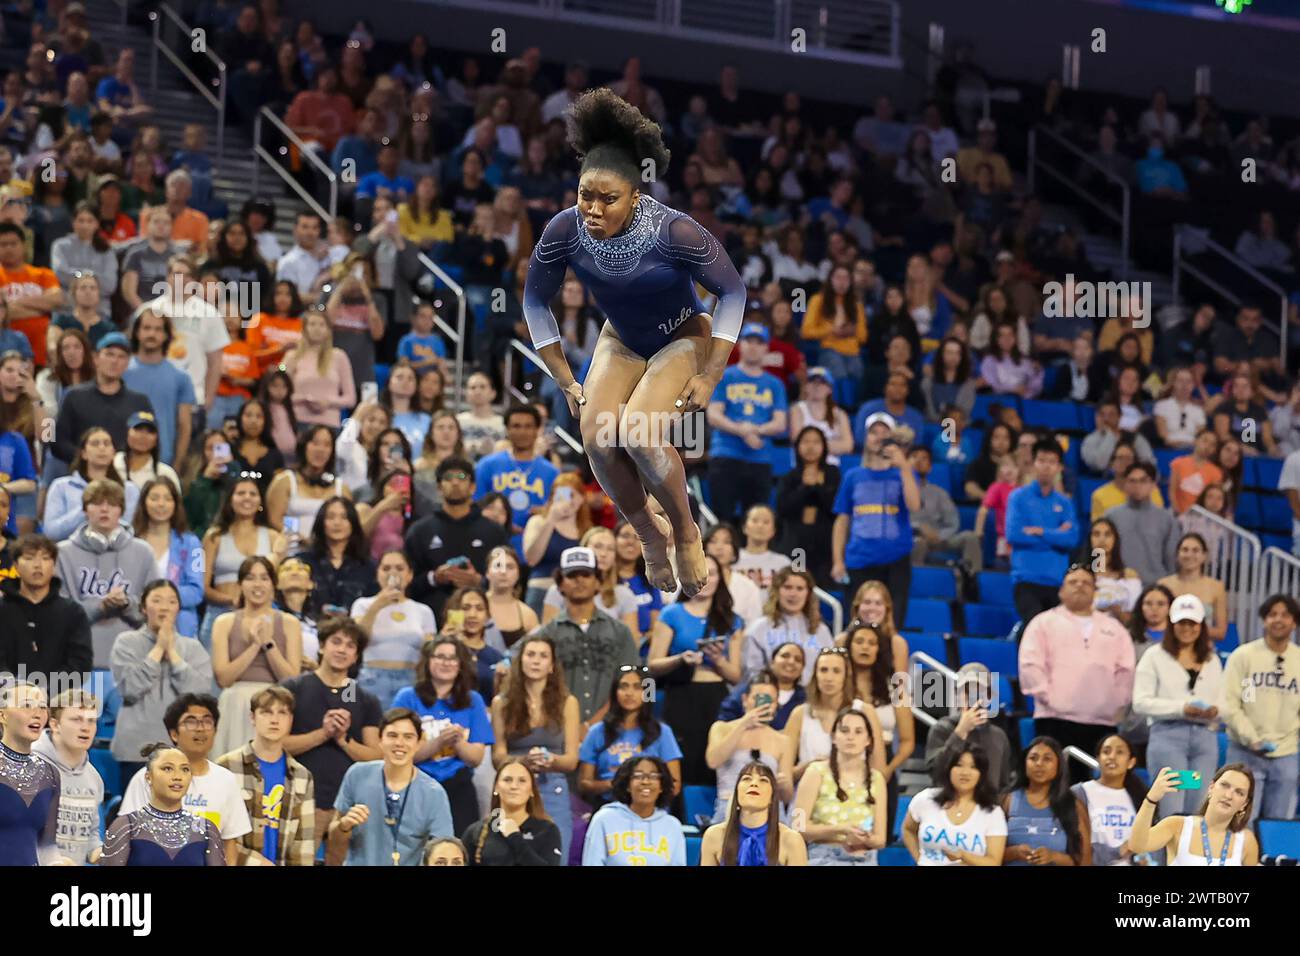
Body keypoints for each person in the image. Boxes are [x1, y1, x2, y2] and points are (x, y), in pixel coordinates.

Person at [524, 89, 746, 598]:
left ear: (636, 197)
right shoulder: (564, 230)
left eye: (608, 198)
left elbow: (732, 291)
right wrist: (562, 376)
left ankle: (687, 532)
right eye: (585, 195)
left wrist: (710, 372)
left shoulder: (676, 231)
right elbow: (535, 302)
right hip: (621, 339)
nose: (593, 209)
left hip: (683, 336)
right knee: (597, 433)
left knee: (640, 432)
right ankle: (649, 532)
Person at [1019, 564, 1136, 783]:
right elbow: (1030, 664)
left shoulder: (1115, 628)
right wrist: (1049, 698)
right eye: (1073, 582)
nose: (1080, 586)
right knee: (1051, 785)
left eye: (1086, 583)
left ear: (1095, 590)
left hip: (1101, 722)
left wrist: (1114, 702)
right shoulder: (1042, 623)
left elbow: (1126, 670)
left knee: (1094, 789)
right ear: (1061, 590)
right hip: (1054, 719)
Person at [281, 616, 382, 847]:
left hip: (348, 805)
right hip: (301, 800)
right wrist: (323, 734)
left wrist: (343, 739)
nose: (342, 650)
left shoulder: (366, 699)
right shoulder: (293, 689)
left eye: (350, 646)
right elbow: (277, 744)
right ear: (322, 646)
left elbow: (376, 756)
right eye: (336, 642)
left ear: (356, 656)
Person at [118, 694, 252, 864]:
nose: (200, 728)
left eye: (207, 721)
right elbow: (126, 837)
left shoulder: (226, 780)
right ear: (174, 734)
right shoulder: (147, 777)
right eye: (190, 721)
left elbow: (229, 842)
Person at [648, 554, 743, 784]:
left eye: (712, 573)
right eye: (699, 571)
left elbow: (736, 675)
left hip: (716, 697)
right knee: (681, 765)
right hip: (681, 695)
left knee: (712, 765)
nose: (705, 579)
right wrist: (681, 659)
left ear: (721, 579)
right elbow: (653, 664)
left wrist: (718, 660)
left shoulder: (732, 620)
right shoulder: (671, 613)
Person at [391, 638, 493, 837]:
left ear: (461, 665)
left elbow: (475, 758)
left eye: (452, 658)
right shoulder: (407, 697)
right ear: (428, 661)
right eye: (439, 656)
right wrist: (438, 742)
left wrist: (458, 742)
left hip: (459, 788)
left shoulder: (473, 700)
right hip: (415, 784)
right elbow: (400, 754)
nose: (446, 663)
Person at [1132, 594, 1222, 818]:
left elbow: (1224, 700)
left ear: (1201, 626)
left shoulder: (1212, 660)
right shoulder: (1154, 656)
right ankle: (1166, 855)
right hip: (1169, 738)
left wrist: (1215, 710)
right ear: (1172, 624)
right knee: (1171, 810)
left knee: (1197, 809)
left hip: (1204, 741)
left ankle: (1190, 854)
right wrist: (1182, 708)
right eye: (1182, 622)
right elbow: (1141, 702)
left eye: (1192, 623)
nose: (1187, 628)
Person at [490, 634, 580, 858]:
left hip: (553, 788)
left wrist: (551, 760)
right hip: (514, 787)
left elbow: (571, 760)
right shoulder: (501, 703)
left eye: (543, 656)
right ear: (520, 662)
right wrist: (523, 762)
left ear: (551, 666)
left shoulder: (568, 703)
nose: (536, 661)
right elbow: (497, 756)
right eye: (530, 655)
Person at [328, 707, 454, 866]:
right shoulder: (357, 775)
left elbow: (444, 851)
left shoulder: (434, 793)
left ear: (419, 743)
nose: (399, 743)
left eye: (408, 737)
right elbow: (333, 836)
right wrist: (344, 826)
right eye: (392, 736)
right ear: (380, 740)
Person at [533, 546, 639, 728]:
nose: (579, 580)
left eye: (586, 574)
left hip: (611, 730)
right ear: (560, 584)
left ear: (598, 581)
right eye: (572, 575)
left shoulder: (620, 632)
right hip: (557, 730)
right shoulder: (546, 635)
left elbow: (637, 680)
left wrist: (593, 725)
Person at [110, 580, 213, 766]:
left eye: (172, 601)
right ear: (143, 608)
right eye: (156, 600)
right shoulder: (126, 642)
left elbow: (200, 696)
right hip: (135, 748)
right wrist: (158, 649)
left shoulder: (193, 647)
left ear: (179, 609)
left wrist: (173, 655)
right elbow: (129, 688)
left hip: (182, 750)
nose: (164, 607)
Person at [56, 478, 153, 669]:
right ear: (84, 509)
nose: (104, 509)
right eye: (97, 503)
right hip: (78, 661)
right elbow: (58, 614)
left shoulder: (144, 552)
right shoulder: (62, 553)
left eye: (112, 504)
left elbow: (155, 608)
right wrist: (100, 607)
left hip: (131, 662)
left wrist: (127, 604)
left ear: (122, 511)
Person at [214, 686, 316, 866]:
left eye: (282, 713)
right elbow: (214, 833)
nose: (274, 720)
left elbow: (304, 843)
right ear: (252, 717)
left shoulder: (301, 776)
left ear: (291, 720)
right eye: (266, 712)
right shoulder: (226, 767)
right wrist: (257, 862)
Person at [211, 556, 303, 756]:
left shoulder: (289, 623)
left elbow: (292, 678)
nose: (257, 584)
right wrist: (254, 645)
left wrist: (269, 644)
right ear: (240, 584)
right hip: (234, 704)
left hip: (274, 704)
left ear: (273, 584)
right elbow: (223, 678)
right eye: (251, 578)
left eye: (264, 578)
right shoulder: (224, 622)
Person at [1220, 594, 1300, 823]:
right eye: (1272, 614)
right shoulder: (1243, 656)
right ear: (1264, 620)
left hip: (1286, 755)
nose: (1278, 620)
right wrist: (1252, 738)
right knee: (1239, 822)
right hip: (1245, 751)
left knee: (1279, 825)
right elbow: (1231, 703)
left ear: (1294, 622)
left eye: (1285, 615)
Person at [831, 412, 920, 615]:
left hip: (895, 558)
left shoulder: (903, 473)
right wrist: (838, 560)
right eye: (873, 432)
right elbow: (842, 520)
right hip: (859, 558)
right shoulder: (853, 476)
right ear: (866, 437)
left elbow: (914, 505)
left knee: (893, 623)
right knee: (856, 623)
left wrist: (904, 465)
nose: (878, 437)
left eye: (884, 432)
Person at [706, 323, 790, 526]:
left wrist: (755, 431)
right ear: (740, 345)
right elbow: (713, 415)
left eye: (759, 342)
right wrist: (743, 431)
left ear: (766, 348)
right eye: (749, 341)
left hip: (760, 458)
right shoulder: (725, 376)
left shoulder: (775, 384)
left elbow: (780, 424)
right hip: (726, 455)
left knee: (754, 520)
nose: (753, 346)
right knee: (722, 518)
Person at [407, 456, 508, 621]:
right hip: (433, 619)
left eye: (461, 477)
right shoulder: (420, 531)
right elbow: (408, 584)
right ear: (439, 487)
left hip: (484, 618)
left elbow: (508, 580)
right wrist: (435, 577)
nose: (455, 483)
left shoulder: (494, 532)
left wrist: (478, 581)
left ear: (473, 487)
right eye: (448, 478)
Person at [101, 743, 227, 867]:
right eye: (167, 768)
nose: (178, 776)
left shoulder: (206, 829)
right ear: (148, 777)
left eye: (185, 769)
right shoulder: (126, 827)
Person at [793, 705, 887, 865]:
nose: (851, 737)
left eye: (858, 732)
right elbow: (797, 827)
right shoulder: (815, 772)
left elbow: (880, 839)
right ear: (834, 737)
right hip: (822, 857)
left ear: (868, 740)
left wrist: (862, 837)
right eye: (844, 730)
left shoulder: (876, 779)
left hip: (863, 858)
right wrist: (840, 829)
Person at [578, 666, 684, 805]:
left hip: (651, 809)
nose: (629, 693)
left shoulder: (662, 732)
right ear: (615, 692)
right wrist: (614, 784)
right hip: (608, 806)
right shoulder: (597, 731)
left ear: (648, 692)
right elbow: (584, 784)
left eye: (637, 687)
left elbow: (674, 786)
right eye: (623, 687)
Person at [200, 477, 286, 648]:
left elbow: (277, 583)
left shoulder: (273, 536)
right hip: (219, 614)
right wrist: (232, 601)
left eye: (253, 494)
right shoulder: (212, 537)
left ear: (260, 501)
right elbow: (202, 585)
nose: (247, 497)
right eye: (240, 493)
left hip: (262, 616)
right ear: (230, 500)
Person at [52, 333, 154, 474]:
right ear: (95, 358)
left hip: (126, 479)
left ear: (127, 363)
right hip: (81, 478)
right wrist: (89, 459)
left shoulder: (139, 402)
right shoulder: (73, 396)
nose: (115, 361)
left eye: (121, 356)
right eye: (109, 354)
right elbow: (57, 442)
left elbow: (151, 442)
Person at [0, 533, 93, 683]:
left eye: (45, 558)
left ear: (54, 565)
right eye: (29, 558)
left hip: (57, 699)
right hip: (7, 699)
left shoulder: (73, 612)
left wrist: (46, 691)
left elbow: (80, 664)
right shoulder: (3, 610)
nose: (38, 565)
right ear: (16, 566)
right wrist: (15, 690)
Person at [705, 671, 794, 822]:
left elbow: (787, 796)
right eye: (758, 698)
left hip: (770, 809)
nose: (764, 705)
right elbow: (713, 761)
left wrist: (784, 785)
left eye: (770, 700)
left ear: (776, 704)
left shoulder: (783, 740)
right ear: (745, 700)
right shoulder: (721, 728)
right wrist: (743, 724)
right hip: (729, 806)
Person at [1006, 438, 1078, 625]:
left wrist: (1040, 532)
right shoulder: (1018, 497)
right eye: (1041, 460)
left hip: (1057, 582)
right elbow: (1014, 534)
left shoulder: (1065, 503)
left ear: (1059, 467)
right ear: (1034, 463)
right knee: (1034, 627)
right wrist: (1056, 534)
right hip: (1027, 579)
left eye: (1051, 462)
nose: (1046, 466)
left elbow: (1071, 539)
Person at [1129, 765, 1259, 866]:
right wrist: (1151, 800)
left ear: (1244, 804)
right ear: (1211, 788)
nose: (1228, 795)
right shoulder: (1176, 825)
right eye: (1224, 785)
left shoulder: (1246, 840)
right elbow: (1137, 845)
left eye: (1239, 792)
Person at [904, 743, 1007, 866]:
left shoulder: (993, 813)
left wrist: (963, 855)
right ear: (948, 769)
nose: (965, 772)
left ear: (981, 774)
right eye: (959, 765)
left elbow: (993, 862)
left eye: (973, 767)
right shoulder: (925, 799)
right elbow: (908, 829)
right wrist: (920, 859)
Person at [30, 689, 102, 865]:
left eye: (91, 721)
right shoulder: (30, 767)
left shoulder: (94, 778)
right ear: (55, 725)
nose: (86, 727)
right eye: (76, 719)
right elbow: (17, 833)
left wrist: (103, 854)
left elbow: (90, 835)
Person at [473, 404, 558, 547]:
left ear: (537, 430)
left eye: (528, 426)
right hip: (492, 545)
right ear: (507, 430)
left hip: (536, 547)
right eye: (516, 426)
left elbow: (563, 510)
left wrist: (546, 512)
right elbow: (475, 506)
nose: (522, 432)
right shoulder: (486, 465)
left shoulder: (552, 472)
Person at [0, 682, 65, 865]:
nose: (37, 713)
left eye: (43, 707)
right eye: (27, 705)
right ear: (2, 715)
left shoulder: (50, 774)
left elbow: (46, 847)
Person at [924, 662, 1013, 794]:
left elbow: (1003, 784)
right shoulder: (942, 729)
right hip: (948, 808)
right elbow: (936, 773)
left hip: (988, 810)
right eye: (966, 691)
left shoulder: (999, 736)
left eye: (979, 690)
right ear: (957, 694)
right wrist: (960, 732)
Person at [1002, 737, 1091, 866]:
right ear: (1024, 763)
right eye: (1033, 758)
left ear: (1059, 765)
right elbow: (988, 854)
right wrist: (1014, 852)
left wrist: (1054, 857)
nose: (1039, 763)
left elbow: (1085, 861)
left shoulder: (1072, 805)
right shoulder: (1007, 801)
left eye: (1047, 759)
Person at [582, 756, 686, 866]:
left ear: (661, 786)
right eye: (638, 776)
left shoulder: (672, 826)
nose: (645, 781)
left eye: (654, 776)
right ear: (627, 785)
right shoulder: (604, 819)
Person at [122, 310, 194, 468]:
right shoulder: (121, 371)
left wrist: (178, 463)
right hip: (122, 459)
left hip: (163, 460)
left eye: (158, 329)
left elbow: (184, 426)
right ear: (136, 332)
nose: (151, 334)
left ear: (167, 335)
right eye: (146, 328)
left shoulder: (180, 377)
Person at [701, 761, 807, 865]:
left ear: (772, 798)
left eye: (763, 780)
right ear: (736, 794)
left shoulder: (791, 840)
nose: (754, 783)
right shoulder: (714, 836)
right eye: (747, 778)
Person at [461, 760, 564, 866]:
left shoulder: (547, 830)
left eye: (522, 781)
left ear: (532, 790)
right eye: (507, 780)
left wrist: (514, 837)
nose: (514, 786)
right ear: (496, 787)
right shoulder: (475, 832)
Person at [741, 568, 834, 683]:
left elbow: (830, 668)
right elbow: (752, 673)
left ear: (808, 594)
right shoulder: (758, 629)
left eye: (799, 589)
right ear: (776, 591)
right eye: (787, 587)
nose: (793, 594)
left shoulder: (821, 631)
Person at [775, 427, 840, 587]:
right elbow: (783, 509)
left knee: (824, 589)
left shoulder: (833, 474)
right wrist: (804, 487)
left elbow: (836, 508)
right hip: (797, 543)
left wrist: (817, 487)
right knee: (797, 583)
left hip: (825, 544)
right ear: (797, 447)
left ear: (824, 446)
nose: (811, 447)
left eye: (816, 442)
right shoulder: (790, 477)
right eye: (806, 442)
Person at [1104, 462, 1179, 586]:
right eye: (1132, 481)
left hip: (1156, 587)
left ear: (1153, 485)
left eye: (1143, 481)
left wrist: (1170, 586)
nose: (1137, 486)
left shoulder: (1167, 519)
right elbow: (1099, 549)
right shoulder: (1111, 516)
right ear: (1125, 484)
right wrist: (1099, 577)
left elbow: (1171, 559)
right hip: (1118, 586)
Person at [265, 425, 349, 534]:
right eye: (315, 443)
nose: (320, 449)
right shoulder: (285, 481)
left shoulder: (341, 488)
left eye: (327, 445)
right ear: (304, 446)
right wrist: (299, 537)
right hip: (292, 546)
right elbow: (275, 520)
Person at [909, 444, 982, 570]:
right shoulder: (898, 490)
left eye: (924, 458)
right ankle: (914, 582)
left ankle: (972, 582)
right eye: (914, 457)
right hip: (914, 538)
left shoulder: (940, 493)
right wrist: (919, 528)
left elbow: (952, 522)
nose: (919, 461)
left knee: (970, 537)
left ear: (930, 467)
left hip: (940, 538)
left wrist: (939, 536)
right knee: (918, 543)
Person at [1157, 533, 1228, 643]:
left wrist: (1189, 632)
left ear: (1204, 555)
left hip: (1202, 649)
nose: (1189, 555)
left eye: (1195, 550)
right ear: (1177, 554)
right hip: (1168, 645)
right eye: (1185, 550)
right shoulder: (1163, 584)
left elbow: (1221, 632)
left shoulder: (1216, 587)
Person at [1087, 516, 1143, 625]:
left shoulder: (1129, 575)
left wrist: (1115, 610)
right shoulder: (1081, 575)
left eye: (1107, 534)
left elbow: (1135, 619)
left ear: (1115, 539)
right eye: (1096, 534)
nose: (1102, 539)